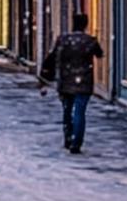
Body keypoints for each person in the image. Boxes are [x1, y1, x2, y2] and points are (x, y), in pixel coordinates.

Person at [40, 13, 105, 153]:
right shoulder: (90, 41)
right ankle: (77, 141)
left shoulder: (63, 40)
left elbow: (53, 56)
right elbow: (99, 54)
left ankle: (68, 137)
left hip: (66, 81)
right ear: (85, 25)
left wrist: (46, 74)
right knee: (80, 112)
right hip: (84, 82)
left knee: (67, 110)